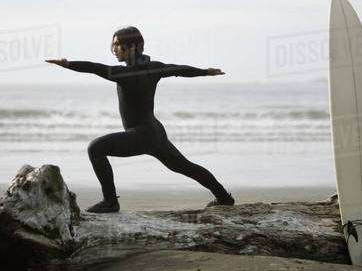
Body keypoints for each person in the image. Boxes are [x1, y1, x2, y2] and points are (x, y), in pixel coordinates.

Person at [45, 26, 234, 213]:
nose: (115, 50)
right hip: (155, 132)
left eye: (118, 45)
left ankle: (110, 202)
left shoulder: (123, 73)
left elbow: (94, 68)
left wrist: (68, 64)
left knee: (95, 149)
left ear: (133, 46)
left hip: (141, 135)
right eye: (113, 46)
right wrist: (205, 71)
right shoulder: (153, 68)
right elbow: (178, 69)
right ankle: (224, 197)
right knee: (186, 167)